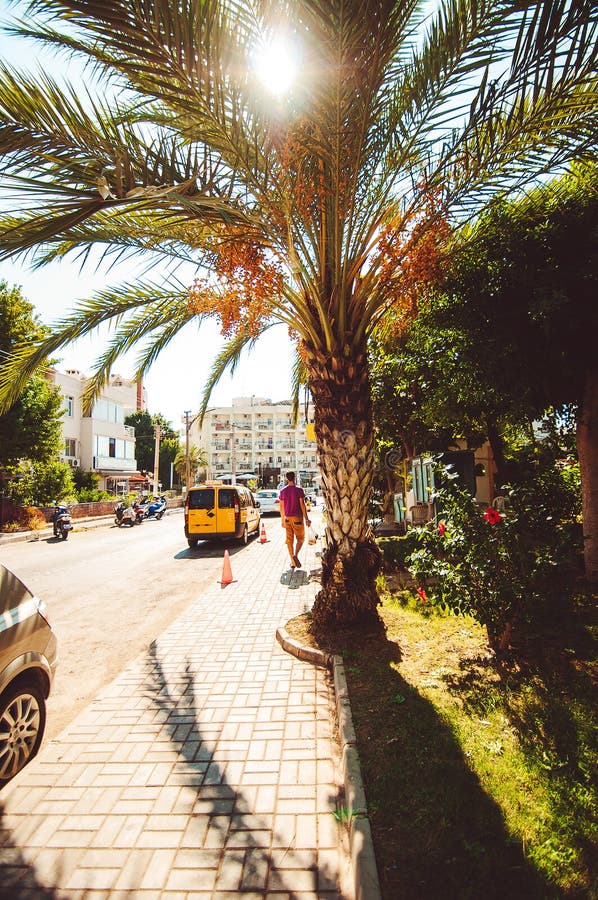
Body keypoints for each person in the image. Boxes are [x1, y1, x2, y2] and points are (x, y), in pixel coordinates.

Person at [279, 471, 311, 570]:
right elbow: (302, 505)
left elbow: (281, 507)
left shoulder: (283, 491)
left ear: (287, 479)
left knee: (289, 541)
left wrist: (282, 520)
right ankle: (295, 555)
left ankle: (293, 562)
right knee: (300, 539)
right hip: (297, 518)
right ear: (294, 478)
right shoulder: (299, 490)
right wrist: (307, 519)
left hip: (287, 518)